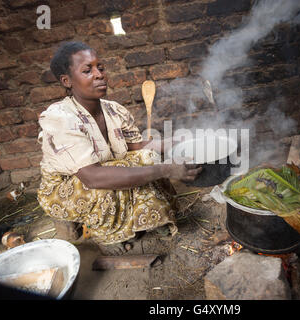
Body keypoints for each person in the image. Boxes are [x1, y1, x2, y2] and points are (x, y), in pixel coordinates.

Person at [37, 41, 201, 255]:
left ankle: (148, 219)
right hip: (68, 188)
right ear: (67, 81)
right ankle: (106, 234)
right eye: (88, 70)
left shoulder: (114, 110)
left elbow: (136, 146)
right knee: (111, 178)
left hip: (104, 170)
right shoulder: (60, 118)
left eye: (100, 68)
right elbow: (92, 177)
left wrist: (176, 141)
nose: (99, 75)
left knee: (147, 157)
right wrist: (166, 169)